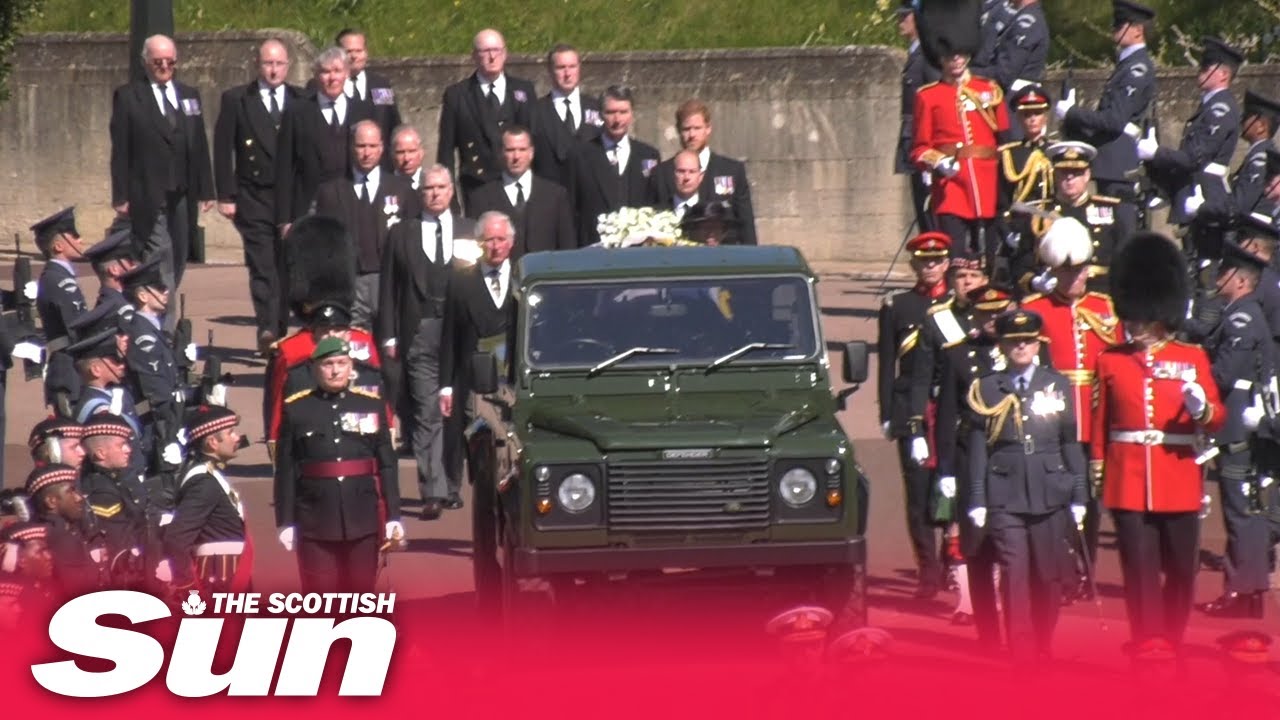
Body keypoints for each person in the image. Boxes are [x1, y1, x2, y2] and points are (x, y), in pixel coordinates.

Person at [1093, 231, 1225, 662]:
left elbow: (1217, 417)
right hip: (1128, 479)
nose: (1133, 324)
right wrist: (1097, 470)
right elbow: (1100, 423)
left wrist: (1202, 408)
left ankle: (1174, 638)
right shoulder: (1110, 360)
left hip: (1178, 475)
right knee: (1139, 570)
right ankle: (1148, 643)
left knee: (1183, 569)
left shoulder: (1192, 357)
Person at [966, 308, 1085, 664]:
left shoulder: (1056, 383)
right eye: (1014, 342)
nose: (1021, 347)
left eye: (1028, 341)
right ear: (1002, 346)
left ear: (1038, 345)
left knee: (1048, 574)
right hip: (1005, 488)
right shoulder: (987, 387)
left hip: (1049, 487)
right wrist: (978, 498)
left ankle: (1043, 641)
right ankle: (1022, 652)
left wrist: (1080, 493)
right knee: (1013, 573)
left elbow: (1069, 441)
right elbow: (978, 446)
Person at [1020, 216, 1119, 595]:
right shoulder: (1036, 308)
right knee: (1056, 499)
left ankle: (1085, 570)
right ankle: (1058, 571)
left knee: (1090, 498)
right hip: (1053, 417)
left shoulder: (1105, 307)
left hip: (1095, 415)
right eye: (1065, 271)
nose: (1073, 278)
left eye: (1078, 270)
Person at [379, 165, 477, 518]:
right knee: (426, 412)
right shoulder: (401, 233)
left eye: (441, 187)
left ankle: (452, 485)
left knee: (458, 412)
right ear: (419, 194)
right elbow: (389, 287)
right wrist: (389, 335)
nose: (435, 193)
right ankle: (432, 491)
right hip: (420, 330)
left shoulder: (468, 230)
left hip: (461, 335)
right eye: (428, 188)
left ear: (451, 191)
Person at [273, 336, 402, 593]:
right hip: (315, 520)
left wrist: (393, 516)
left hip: (362, 518)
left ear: (351, 366)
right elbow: (286, 469)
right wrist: (285, 520)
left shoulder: (370, 404)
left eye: (342, 363)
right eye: (328, 364)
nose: (335, 370)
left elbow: (387, 464)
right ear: (315, 368)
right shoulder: (297, 409)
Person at [264, 215, 385, 462]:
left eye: (338, 329)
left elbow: (379, 400)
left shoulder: (364, 344)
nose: (331, 336)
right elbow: (277, 408)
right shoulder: (291, 351)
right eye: (325, 331)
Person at [1195, 242, 1274, 618]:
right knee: (1246, 508)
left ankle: (1242, 592)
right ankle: (1248, 589)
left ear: (1240, 281)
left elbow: (1225, 373)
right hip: (1244, 424)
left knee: (1240, 508)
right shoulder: (1239, 314)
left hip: (1241, 425)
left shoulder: (1241, 318)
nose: (1218, 278)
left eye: (1225, 273)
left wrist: (1193, 376)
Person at [934, 284, 1012, 646]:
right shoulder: (959, 355)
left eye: (999, 312)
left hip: (1015, 458)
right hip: (972, 458)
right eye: (985, 313)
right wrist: (947, 469)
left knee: (1016, 546)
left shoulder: (1029, 350)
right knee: (979, 547)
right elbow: (947, 414)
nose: (993, 318)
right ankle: (987, 631)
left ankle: (1019, 626)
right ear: (975, 316)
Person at [109, 34, 215, 298]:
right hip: (147, 190)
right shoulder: (129, 97)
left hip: (182, 191)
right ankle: (159, 316)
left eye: (170, 62)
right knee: (159, 251)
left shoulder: (189, 95)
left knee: (179, 252)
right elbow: (120, 150)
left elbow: (199, 144)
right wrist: (120, 195)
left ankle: (158, 303)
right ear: (146, 62)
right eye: (158, 62)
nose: (165, 67)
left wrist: (207, 189)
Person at [877, 230, 952, 598]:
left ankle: (952, 561)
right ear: (913, 265)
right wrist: (888, 412)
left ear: (947, 264)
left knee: (952, 486)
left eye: (937, 261)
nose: (931, 267)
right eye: (925, 262)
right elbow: (887, 363)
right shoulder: (898, 306)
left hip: (951, 407)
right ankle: (928, 571)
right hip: (911, 409)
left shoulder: (957, 304)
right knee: (918, 493)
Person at [214, 38, 301, 352]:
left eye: (279, 64)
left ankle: (280, 330)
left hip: (292, 198)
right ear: (257, 65)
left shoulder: (301, 99)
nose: (273, 70)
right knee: (262, 265)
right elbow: (223, 149)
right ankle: (267, 328)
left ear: (288, 66)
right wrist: (226, 195)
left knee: (287, 267)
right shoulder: (237, 100)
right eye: (268, 63)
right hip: (254, 195)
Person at [910, 0, 1009, 264]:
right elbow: (919, 149)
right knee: (956, 259)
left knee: (990, 260)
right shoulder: (928, 96)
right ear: (939, 57)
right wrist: (938, 161)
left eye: (960, 54)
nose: (955, 59)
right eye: (948, 55)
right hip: (952, 189)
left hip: (988, 184)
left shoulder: (988, 90)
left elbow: (1004, 140)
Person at [440, 211, 518, 509]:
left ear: (511, 242)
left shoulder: (524, 278)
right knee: (476, 437)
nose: (495, 246)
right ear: (479, 243)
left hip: (513, 375)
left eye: (501, 239)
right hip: (472, 376)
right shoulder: (460, 281)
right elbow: (449, 335)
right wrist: (445, 386)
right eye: (489, 240)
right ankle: (458, 489)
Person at [1056, 0, 1156, 232]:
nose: (1114, 29)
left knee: (1121, 234)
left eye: (1120, 25)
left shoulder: (1136, 68)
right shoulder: (1126, 65)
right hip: (1110, 163)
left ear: (1137, 30)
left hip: (1118, 165)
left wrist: (1073, 113)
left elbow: (1114, 119)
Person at [1138, 37, 1242, 260]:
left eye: (1206, 68)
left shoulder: (1220, 108)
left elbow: (1194, 158)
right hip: (1195, 191)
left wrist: (1157, 153)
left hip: (1206, 195)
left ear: (1223, 74)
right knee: (1192, 261)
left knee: (1204, 265)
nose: (1200, 72)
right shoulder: (1209, 106)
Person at [312, 119, 417, 329]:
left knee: (390, 339)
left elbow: (413, 239)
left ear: (381, 148)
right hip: (350, 283)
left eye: (372, 146)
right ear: (351, 147)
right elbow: (322, 244)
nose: (366, 153)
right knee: (353, 341)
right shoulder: (330, 192)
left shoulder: (402, 189)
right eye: (361, 146)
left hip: (389, 281)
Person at [275, 46, 374, 231]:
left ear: (347, 73)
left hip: (353, 203)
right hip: (309, 206)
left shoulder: (363, 110)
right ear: (316, 75)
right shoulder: (297, 112)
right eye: (325, 72)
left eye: (337, 71)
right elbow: (284, 167)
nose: (332, 77)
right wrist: (284, 219)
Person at [436, 28, 536, 210]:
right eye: (485, 51)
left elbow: (534, 140)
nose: (492, 57)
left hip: (517, 185)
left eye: (496, 50)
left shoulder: (524, 90)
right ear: (474, 56)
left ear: (505, 53)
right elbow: (446, 152)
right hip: (477, 186)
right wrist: (450, 201)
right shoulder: (457, 95)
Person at [158, 404, 251, 594]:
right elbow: (177, 538)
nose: (237, 438)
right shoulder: (203, 483)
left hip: (228, 574)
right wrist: (187, 585)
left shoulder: (210, 477)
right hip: (219, 576)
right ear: (212, 443)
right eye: (230, 433)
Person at [1013, 142, 1129, 294]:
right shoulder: (1039, 214)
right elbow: (1021, 264)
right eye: (1064, 172)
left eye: (1076, 172)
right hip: (1053, 294)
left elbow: (1124, 260)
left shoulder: (1109, 210)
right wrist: (1035, 282)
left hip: (1099, 293)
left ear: (1087, 175)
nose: (1069, 177)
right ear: (1055, 174)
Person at [651, 99, 757, 245]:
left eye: (697, 128)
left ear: (708, 129)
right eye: (686, 129)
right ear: (678, 130)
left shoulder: (732, 170)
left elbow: (746, 224)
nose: (692, 135)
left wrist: (751, 255)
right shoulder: (662, 173)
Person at [567, 85, 661, 247]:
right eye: (610, 112)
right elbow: (571, 208)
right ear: (600, 114)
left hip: (638, 250)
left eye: (623, 112)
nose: (617, 120)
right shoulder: (580, 155)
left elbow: (656, 204)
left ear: (632, 114)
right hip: (594, 248)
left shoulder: (648, 155)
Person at [469, 125, 576, 258]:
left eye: (522, 149)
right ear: (501, 153)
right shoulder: (480, 198)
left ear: (531, 152)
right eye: (510, 150)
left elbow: (567, 248)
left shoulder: (556, 195)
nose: (516, 156)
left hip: (544, 270)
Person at [1192, 91, 1280, 232]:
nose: (1241, 121)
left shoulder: (1260, 157)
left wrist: (1202, 207)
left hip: (1252, 233)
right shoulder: (1260, 153)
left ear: (1261, 127)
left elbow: (1240, 204)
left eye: (1247, 117)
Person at [78, 414, 149, 584]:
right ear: (101, 453)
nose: (128, 449)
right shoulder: (101, 492)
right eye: (121, 445)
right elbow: (120, 543)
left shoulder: (120, 479)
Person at [993, 85, 1053, 285]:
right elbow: (1001, 202)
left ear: (1046, 116)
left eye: (1037, 113)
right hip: (1022, 226)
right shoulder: (1010, 154)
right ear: (1019, 118)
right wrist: (1007, 232)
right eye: (1027, 115)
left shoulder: (1057, 151)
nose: (1032, 119)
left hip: (1052, 223)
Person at [31, 206, 87, 417]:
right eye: (74, 235)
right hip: (69, 369)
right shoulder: (59, 281)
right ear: (58, 245)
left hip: (70, 366)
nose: (80, 240)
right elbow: (77, 328)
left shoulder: (60, 278)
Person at [893, 0, 940, 233]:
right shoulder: (915, 54)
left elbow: (933, 99)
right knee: (920, 202)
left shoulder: (926, 56)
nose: (900, 22)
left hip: (922, 136)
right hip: (912, 134)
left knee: (927, 204)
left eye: (906, 17)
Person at [531, 43, 602, 189]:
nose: (567, 73)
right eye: (561, 67)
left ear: (579, 68)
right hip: (550, 193)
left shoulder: (597, 108)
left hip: (590, 192)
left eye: (572, 66)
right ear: (550, 70)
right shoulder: (534, 111)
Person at [26, 465, 102, 598]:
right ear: (51, 501)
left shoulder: (47, 532)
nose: (79, 498)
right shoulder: (61, 539)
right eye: (70, 492)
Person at [968, 0, 1048, 97]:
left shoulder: (1027, 22)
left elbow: (1004, 75)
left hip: (1014, 99)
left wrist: (967, 72)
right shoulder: (1020, 16)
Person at [337, 28, 402, 146]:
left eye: (359, 51)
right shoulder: (329, 85)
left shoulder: (380, 85)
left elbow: (392, 122)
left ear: (366, 52)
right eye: (348, 51)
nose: (354, 56)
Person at [82, 224, 139, 320]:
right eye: (130, 261)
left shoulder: (119, 299)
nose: (136, 265)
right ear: (114, 270)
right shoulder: (118, 309)